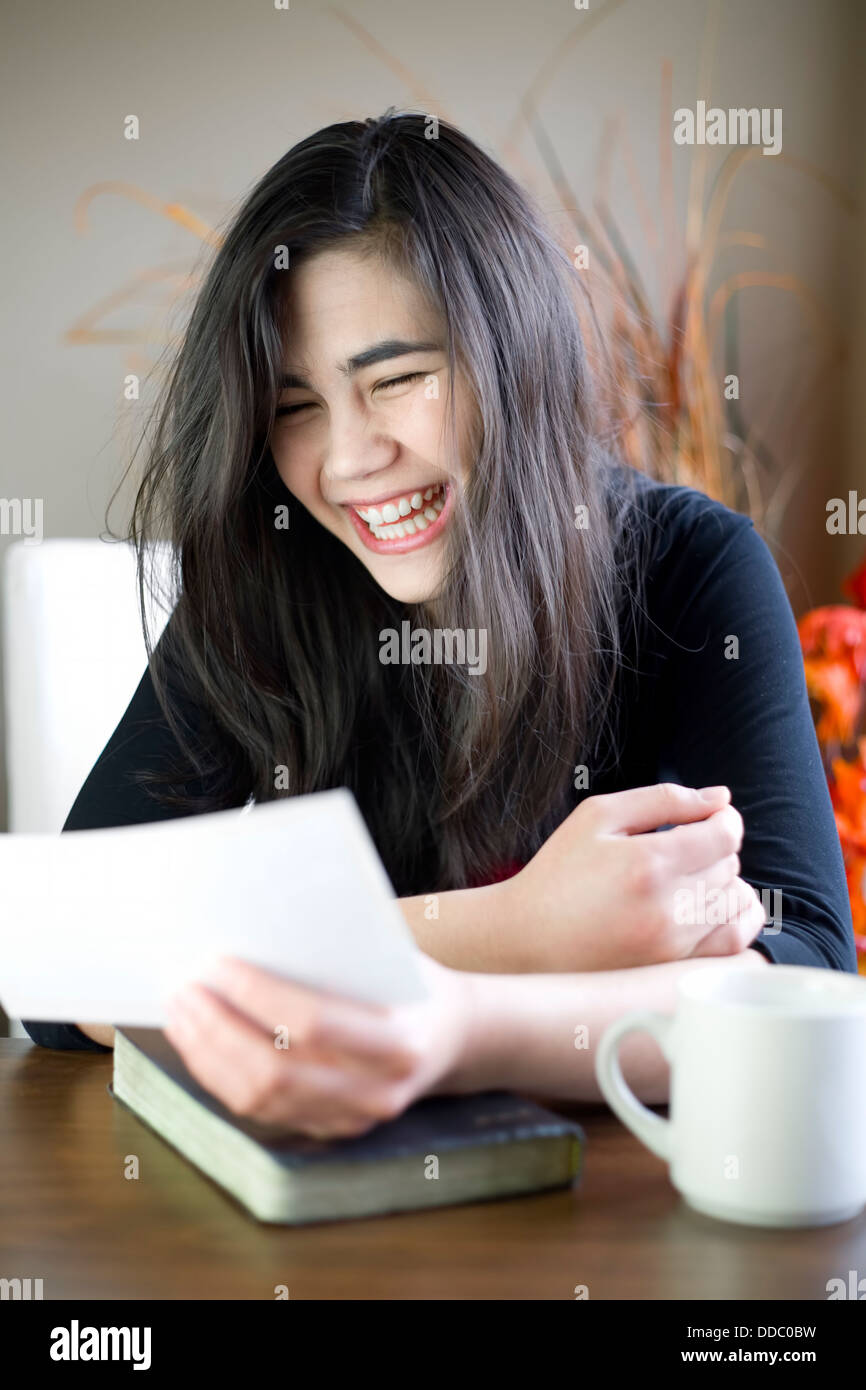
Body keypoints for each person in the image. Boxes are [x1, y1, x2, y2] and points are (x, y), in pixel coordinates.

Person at [21, 111, 855, 1140]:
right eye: (295, 407)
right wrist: (516, 930)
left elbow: (804, 979)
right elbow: (62, 970)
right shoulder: (268, 575)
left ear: (516, 355)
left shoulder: (691, 571)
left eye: (398, 379)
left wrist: (459, 1023)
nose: (348, 460)